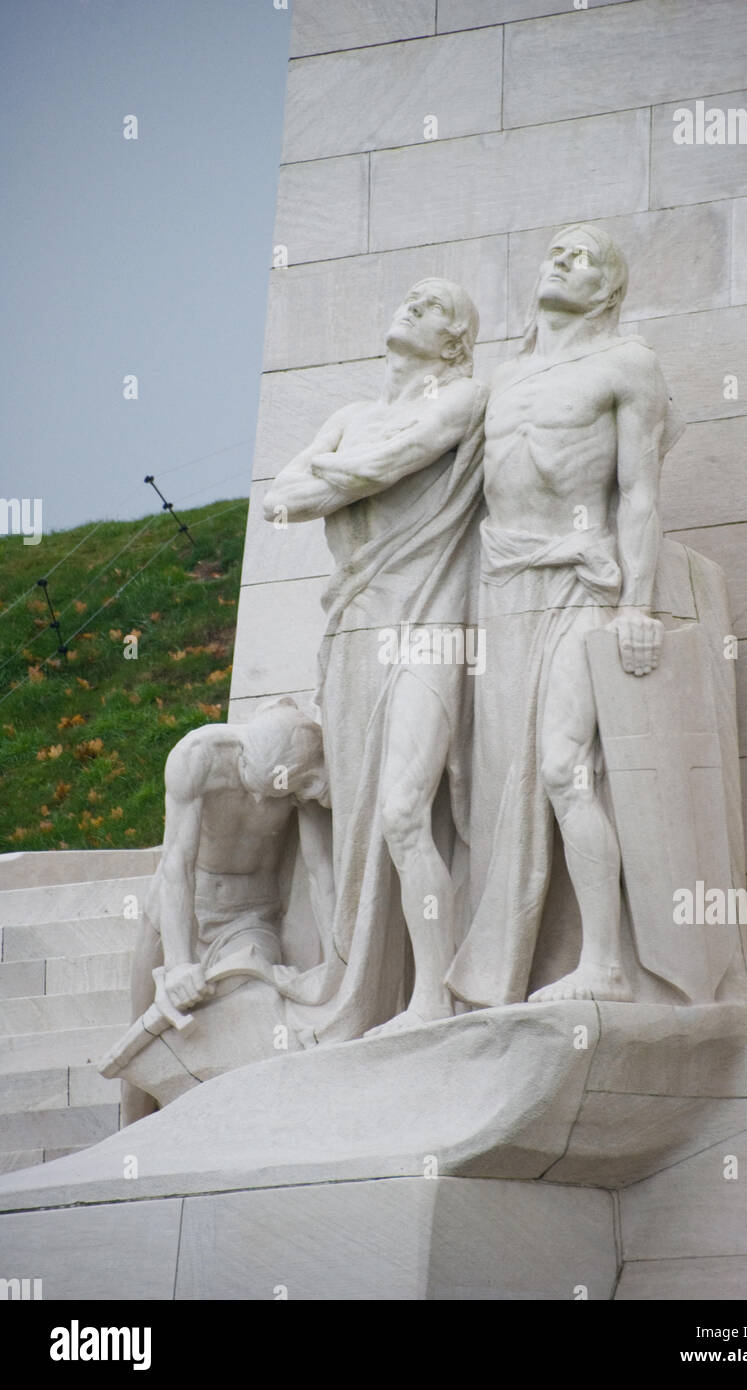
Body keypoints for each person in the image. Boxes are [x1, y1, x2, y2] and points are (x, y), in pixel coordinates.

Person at [447, 224, 684, 1010]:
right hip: (501, 586)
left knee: (562, 766)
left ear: (608, 287)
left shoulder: (626, 363)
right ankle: (499, 967)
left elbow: (639, 493)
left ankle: (604, 964)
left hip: (583, 583)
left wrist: (636, 605)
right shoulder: (504, 376)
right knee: (495, 784)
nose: (559, 259)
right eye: (554, 250)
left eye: (580, 255)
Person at [263, 279, 487, 1040]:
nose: (411, 307)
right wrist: (342, 475)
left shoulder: (462, 398)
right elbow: (279, 500)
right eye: (409, 298)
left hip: (431, 623)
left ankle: (434, 997)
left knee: (402, 808)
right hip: (354, 628)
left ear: (454, 342)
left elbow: (385, 466)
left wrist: (331, 476)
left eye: (432, 306)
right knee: (361, 820)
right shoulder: (349, 416)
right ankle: (364, 984)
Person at [121, 696, 333, 1123]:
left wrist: (335, 968)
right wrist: (178, 964)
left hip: (248, 919)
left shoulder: (298, 771)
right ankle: (129, 1138)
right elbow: (177, 863)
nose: (260, 799)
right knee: (140, 1043)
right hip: (176, 912)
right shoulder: (197, 757)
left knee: (246, 1013)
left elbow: (320, 873)